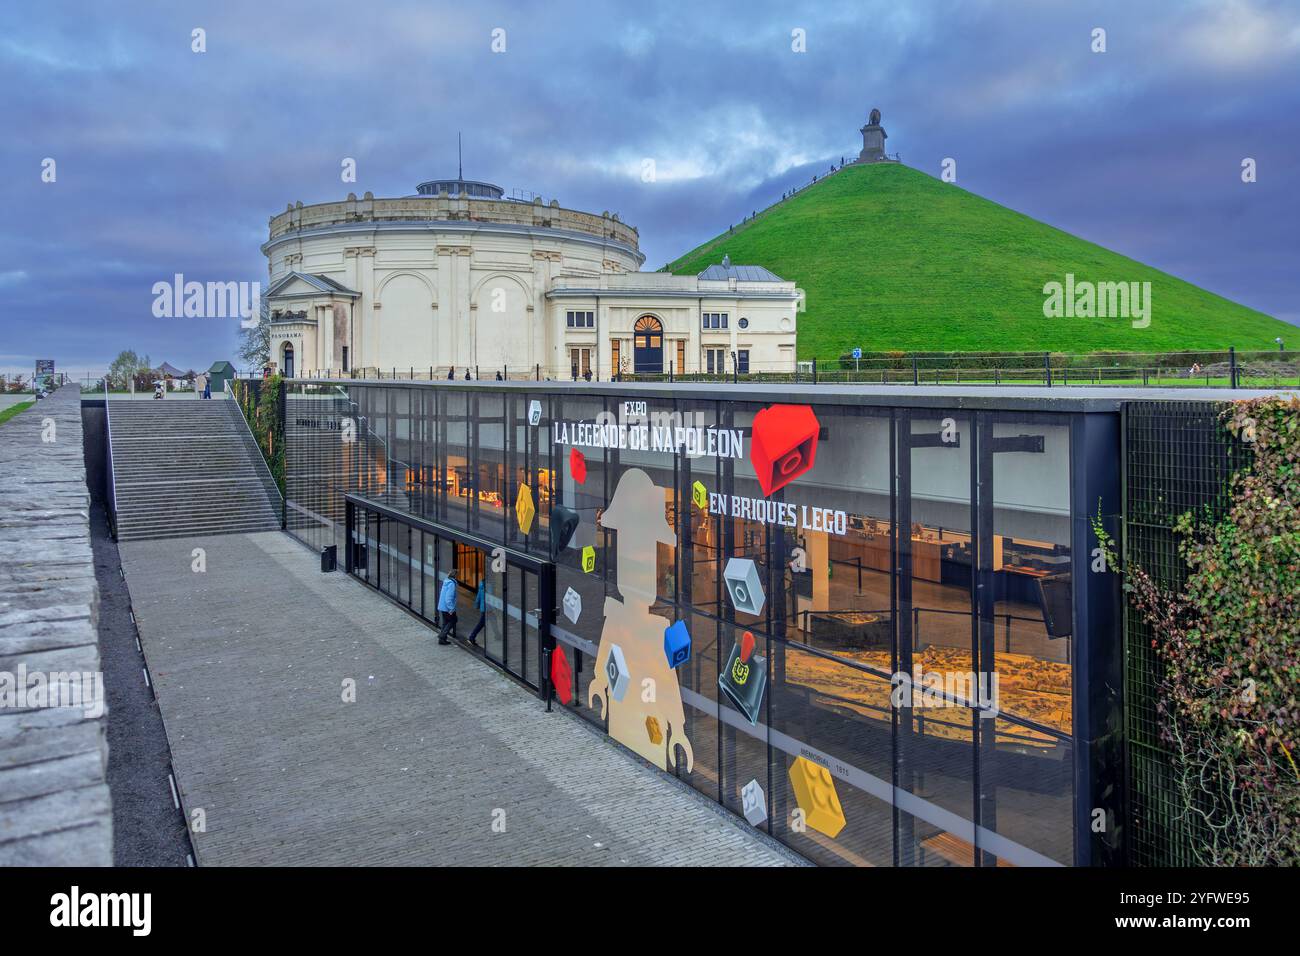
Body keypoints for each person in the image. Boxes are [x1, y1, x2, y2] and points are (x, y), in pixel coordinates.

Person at [436, 570, 459, 644]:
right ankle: (442, 636)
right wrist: (451, 608)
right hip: (447, 608)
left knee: (445, 623)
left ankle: (442, 640)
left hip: (442, 607)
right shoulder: (452, 584)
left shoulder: (446, 581)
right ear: (455, 576)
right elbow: (448, 598)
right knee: (453, 620)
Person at [466, 578, 487, 646]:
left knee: (493, 620)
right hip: (487, 608)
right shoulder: (488, 587)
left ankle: (497, 634)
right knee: (481, 623)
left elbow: (478, 596)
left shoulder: (481, 586)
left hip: (484, 607)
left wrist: (477, 605)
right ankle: (471, 637)